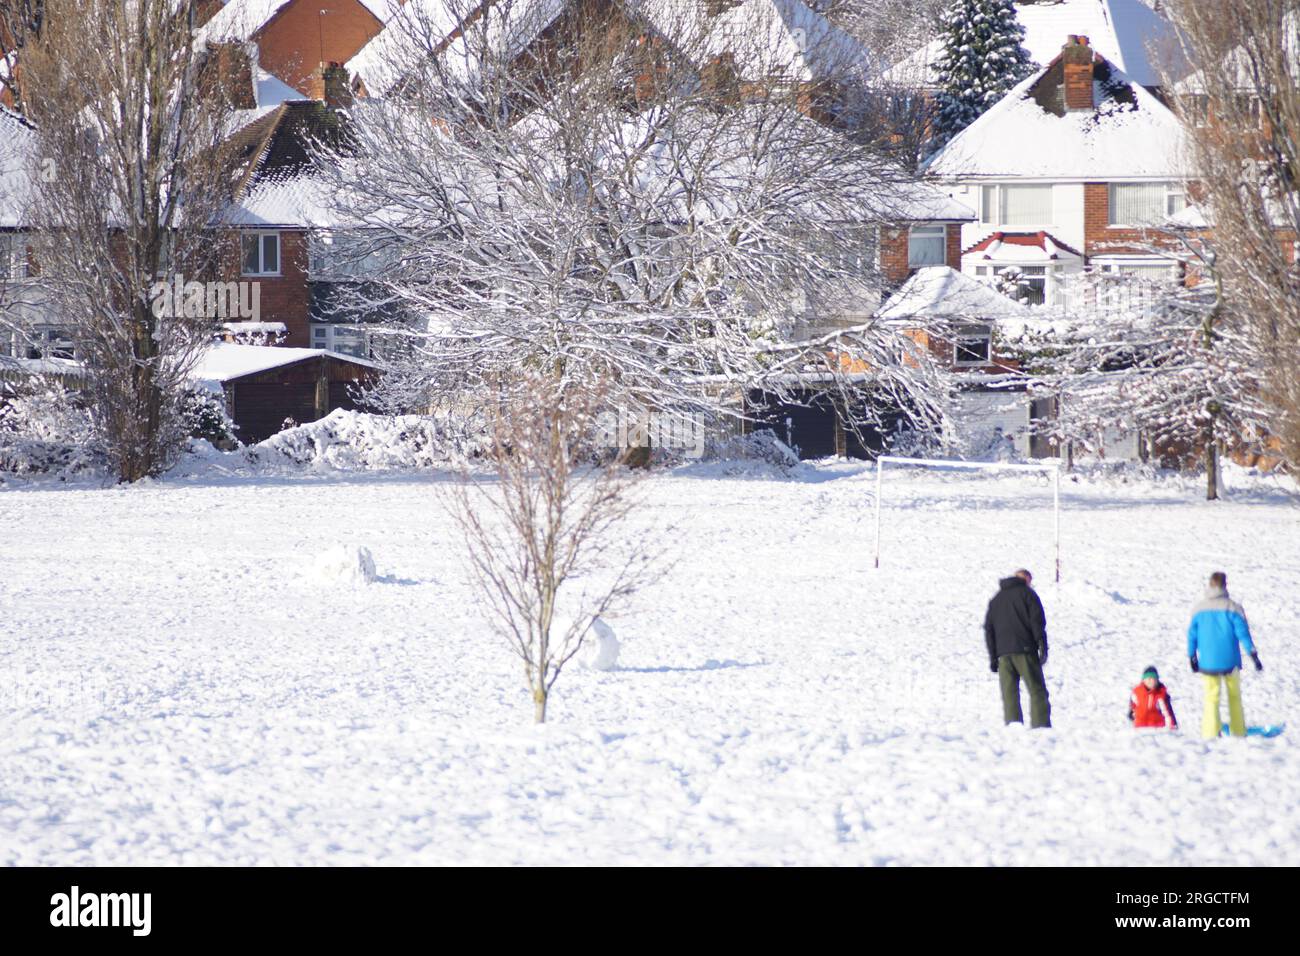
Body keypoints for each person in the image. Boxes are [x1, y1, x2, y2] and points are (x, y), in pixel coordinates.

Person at [1188, 571, 1262, 740]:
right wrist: (1253, 654)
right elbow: (1243, 634)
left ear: (1210, 585)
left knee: (1211, 698)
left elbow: (1192, 635)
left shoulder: (1198, 609)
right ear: (1225, 585)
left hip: (1208, 661)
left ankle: (1210, 733)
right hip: (1230, 661)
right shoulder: (1233, 608)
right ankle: (1238, 731)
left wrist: (1192, 656)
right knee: (1234, 696)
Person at [984, 568, 1051, 728]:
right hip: (1025, 651)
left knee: (1009, 694)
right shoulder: (1028, 594)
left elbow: (989, 630)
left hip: (1003, 655)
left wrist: (993, 657)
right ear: (1026, 579)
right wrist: (1042, 645)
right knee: (1037, 691)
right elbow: (1037, 622)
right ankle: (1040, 727)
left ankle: (1013, 728)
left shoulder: (996, 600)